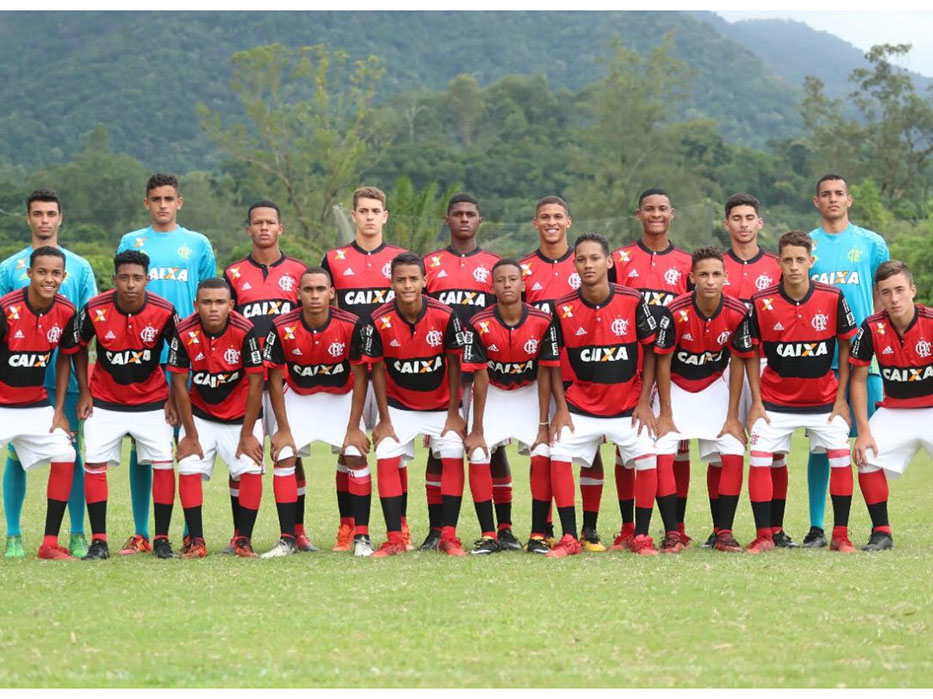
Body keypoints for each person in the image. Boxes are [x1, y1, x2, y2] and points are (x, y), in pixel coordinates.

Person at [115, 173, 216, 555]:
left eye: (168, 199)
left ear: (179, 202)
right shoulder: (132, 241)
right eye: (155, 199)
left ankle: (192, 532)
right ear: (147, 203)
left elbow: (209, 297)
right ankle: (143, 532)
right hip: (141, 358)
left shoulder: (197, 243)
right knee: (143, 446)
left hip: (186, 356)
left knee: (187, 441)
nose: (162, 205)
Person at [745, 231, 858, 554]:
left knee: (840, 457)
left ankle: (840, 536)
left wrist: (841, 398)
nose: (794, 266)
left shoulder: (832, 297)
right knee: (759, 458)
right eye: (787, 260)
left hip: (824, 401)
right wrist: (756, 402)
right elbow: (750, 353)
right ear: (778, 263)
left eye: (800, 260)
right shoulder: (761, 301)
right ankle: (764, 535)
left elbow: (847, 345)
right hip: (774, 403)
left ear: (811, 261)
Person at [63, 251, 181, 559]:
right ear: (114, 279)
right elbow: (77, 347)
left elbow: (180, 353)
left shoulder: (165, 310)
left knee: (163, 463)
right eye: (124, 278)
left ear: (147, 280)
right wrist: (85, 391)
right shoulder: (94, 308)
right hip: (104, 402)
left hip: (152, 402)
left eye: (137, 278)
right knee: (94, 464)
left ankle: (162, 539)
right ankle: (99, 541)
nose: (130, 285)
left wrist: (171, 398)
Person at [547, 233, 659, 557]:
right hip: (580, 407)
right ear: (574, 264)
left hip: (628, 407)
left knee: (648, 456)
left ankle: (642, 536)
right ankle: (570, 537)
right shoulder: (562, 307)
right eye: (581, 259)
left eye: (595, 258)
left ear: (609, 262)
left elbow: (652, 350)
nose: (588, 265)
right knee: (558, 452)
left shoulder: (632, 299)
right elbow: (551, 362)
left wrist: (644, 402)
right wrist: (561, 408)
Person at [1, 189, 97, 559]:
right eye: (37, 213)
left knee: (69, 453)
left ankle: (67, 537)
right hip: (9, 391)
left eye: (51, 213)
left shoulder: (79, 271)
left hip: (54, 390)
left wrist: (80, 392)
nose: (44, 220)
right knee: (15, 460)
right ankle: (13, 536)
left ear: (60, 218)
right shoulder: (8, 271)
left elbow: (80, 337)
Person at [422, 194, 520, 550]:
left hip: (484, 374)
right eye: (458, 214)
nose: (464, 219)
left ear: (480, 220)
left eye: (471, 214)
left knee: (493, 447)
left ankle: (504, 528)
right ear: (447, 220)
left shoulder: (495, 266)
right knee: (439, 450)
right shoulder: (429, 264)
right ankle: (437, 529)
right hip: (441, 372)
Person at [361, 252, 466, 557]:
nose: (407, 285)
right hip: (399, 406)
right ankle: (394, 538)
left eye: (413, 279)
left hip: (441, 406)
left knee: (453, 452)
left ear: (424, 281)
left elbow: (455, 363)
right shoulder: (378, 319)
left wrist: (454, 413)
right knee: (385, 453)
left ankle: (449, 536)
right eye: (401, 280)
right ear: (391, 283)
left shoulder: (445, 315)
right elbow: (377, 370)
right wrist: (384, 419)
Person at [803, 174, 889, 548]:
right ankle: (817, 527)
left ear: (849, 200)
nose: (833, 199)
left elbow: (884, 290)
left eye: (839, 193)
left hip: (866, 362)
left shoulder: (871, 243)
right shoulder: (808, 245)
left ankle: (879, 527)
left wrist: (880, 335)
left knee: (869, 441)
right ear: (817, 201)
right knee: (822, 447)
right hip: (823, 362)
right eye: (826, 194)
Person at [321, 186, 408, 551]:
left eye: (376, 211)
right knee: (349, 448)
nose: (369, 217)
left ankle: (400, 525)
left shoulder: (400, 258)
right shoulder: (334, 259)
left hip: (393, 369)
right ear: (353, 216)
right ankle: (348, 527)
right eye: (363, 211)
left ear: (384, 217)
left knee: (394, 449)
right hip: (350, 369)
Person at [262, 267, 371, 557]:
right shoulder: (281, 326)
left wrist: (354, 427)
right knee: (285, 454)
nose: (314, 295)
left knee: (355, 453)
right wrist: (283, 429)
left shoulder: (351, 324)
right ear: (298, 293)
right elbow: (274, 379)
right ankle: (288, 538)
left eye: (320, 289)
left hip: (341, 396)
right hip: (300, 397)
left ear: (331, 293)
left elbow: (361, 376)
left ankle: (361, 537)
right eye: (308, 289)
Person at [518, 196, 606, 551]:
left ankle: (589, 528)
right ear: (535, 223)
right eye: (544, 217)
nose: (551, 222)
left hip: (585, 375)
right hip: (540, 377)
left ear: (568, 221)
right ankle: (542, 527)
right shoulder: (523, 269)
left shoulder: (585, 262)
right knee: (542, 450)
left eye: (558, 216)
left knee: (591, 452)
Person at [222, 200, 310, 552]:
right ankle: (239, 534)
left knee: (291, 452)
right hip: (247, 380)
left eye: (270, 222)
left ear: (280, 228)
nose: (264, 228)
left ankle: (297, 532)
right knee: (244, 456)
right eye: (257, 222)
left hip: (288, 378)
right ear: (248, 229)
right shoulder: (233, 273)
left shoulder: (299, 271)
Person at [654, 247, 755, 554]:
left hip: (713, 386)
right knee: (662, 448)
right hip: (675, 387)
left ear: (725, 277)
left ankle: (724, 532)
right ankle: (672, 533)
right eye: (703, 275)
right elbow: (662, 362)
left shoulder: (738, 311)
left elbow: (738, 361)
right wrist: (666, 413)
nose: (710, 281)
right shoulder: (674, 311)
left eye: (716, 274)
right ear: (691, 278)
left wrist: (733, 416)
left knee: (733, 447)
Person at [461, 258, 560, 554]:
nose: (507, 284)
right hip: (493, 393)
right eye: (501, 280)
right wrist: (477, 429)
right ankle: (489, 535)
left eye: (512, 279)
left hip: (530, 392)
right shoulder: (478, 323)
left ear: (523, 284)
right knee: (479, 452)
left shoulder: (542, 321)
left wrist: (543, 425)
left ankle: (538, 535)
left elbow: (546, 372)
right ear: (491, 287)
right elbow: (479, 378)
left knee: (542, 452)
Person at [611, 188, 693, 549]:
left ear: (672, 213)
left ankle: (677, 526)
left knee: (676, 446)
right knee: (627, 447)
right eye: (649, 209)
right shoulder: (620, 259)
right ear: (638, 214)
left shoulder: (687, 263)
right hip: (630, 367)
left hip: (675, 368)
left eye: (662, 209)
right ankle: (628, 527)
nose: (656, 214)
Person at [166, 278, 265, 559]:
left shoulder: (245, 329)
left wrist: (248, 434)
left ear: (231, 305)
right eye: (206, 302)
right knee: (188, 465)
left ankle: (243, 541)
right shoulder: (183, 331)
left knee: (250, 467)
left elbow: (256, 382)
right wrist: (190, 434)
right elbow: (179, 383)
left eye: (220, 302)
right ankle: (196, 542)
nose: (213, 308)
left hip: (241, 416)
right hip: (201, 414)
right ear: (196, 304)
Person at [707, 192, 784, 549]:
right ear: (727, 224)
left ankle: (775, 529)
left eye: (749, 217)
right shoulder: (715, 266)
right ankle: (720, 528)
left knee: (774, 451)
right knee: (723, 449)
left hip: (766, 364)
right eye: (736, 218)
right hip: (722, 367)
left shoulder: (776, 265)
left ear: (759, 222)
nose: (743, 224)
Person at [0, 247, 81, 559]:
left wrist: (59, 411)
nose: (49, 279)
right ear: (30, 273)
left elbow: (64, 360)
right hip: (2, 405)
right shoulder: (6, 308)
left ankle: (49, 544)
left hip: (35, 406)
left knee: (65, 454)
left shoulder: (67, 311)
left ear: (63, 276)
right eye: (42, 272)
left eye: (56, 273)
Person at [850, 260, 932, 551]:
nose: (894, 298)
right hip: (895, 408)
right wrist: (863, 431)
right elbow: (858, 380)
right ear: (879, 296)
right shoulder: (872, 326)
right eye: (886, 292)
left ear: (912, 290)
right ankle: (881, 532)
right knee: (866, 456)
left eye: (899, 290)